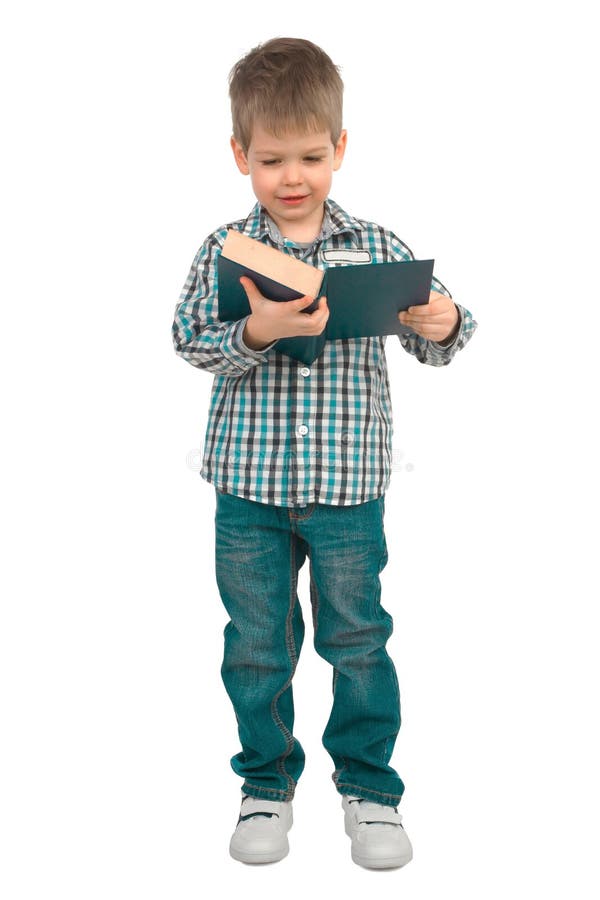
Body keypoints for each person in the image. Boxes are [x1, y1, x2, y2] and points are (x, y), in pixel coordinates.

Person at [172, 36, 477, 869]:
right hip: (248, 490)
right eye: (272, 159)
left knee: (359, 639)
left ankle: (371, 791)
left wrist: (445, 324)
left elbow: (440, 335)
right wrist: (256, 330)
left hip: (348, 492)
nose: (293, 175)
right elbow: (190, 341)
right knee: (257, 643)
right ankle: (265, 783)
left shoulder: (376, 246)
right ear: (241, 156)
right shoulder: (223, 249)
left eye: (311, 154)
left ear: (340, 148)